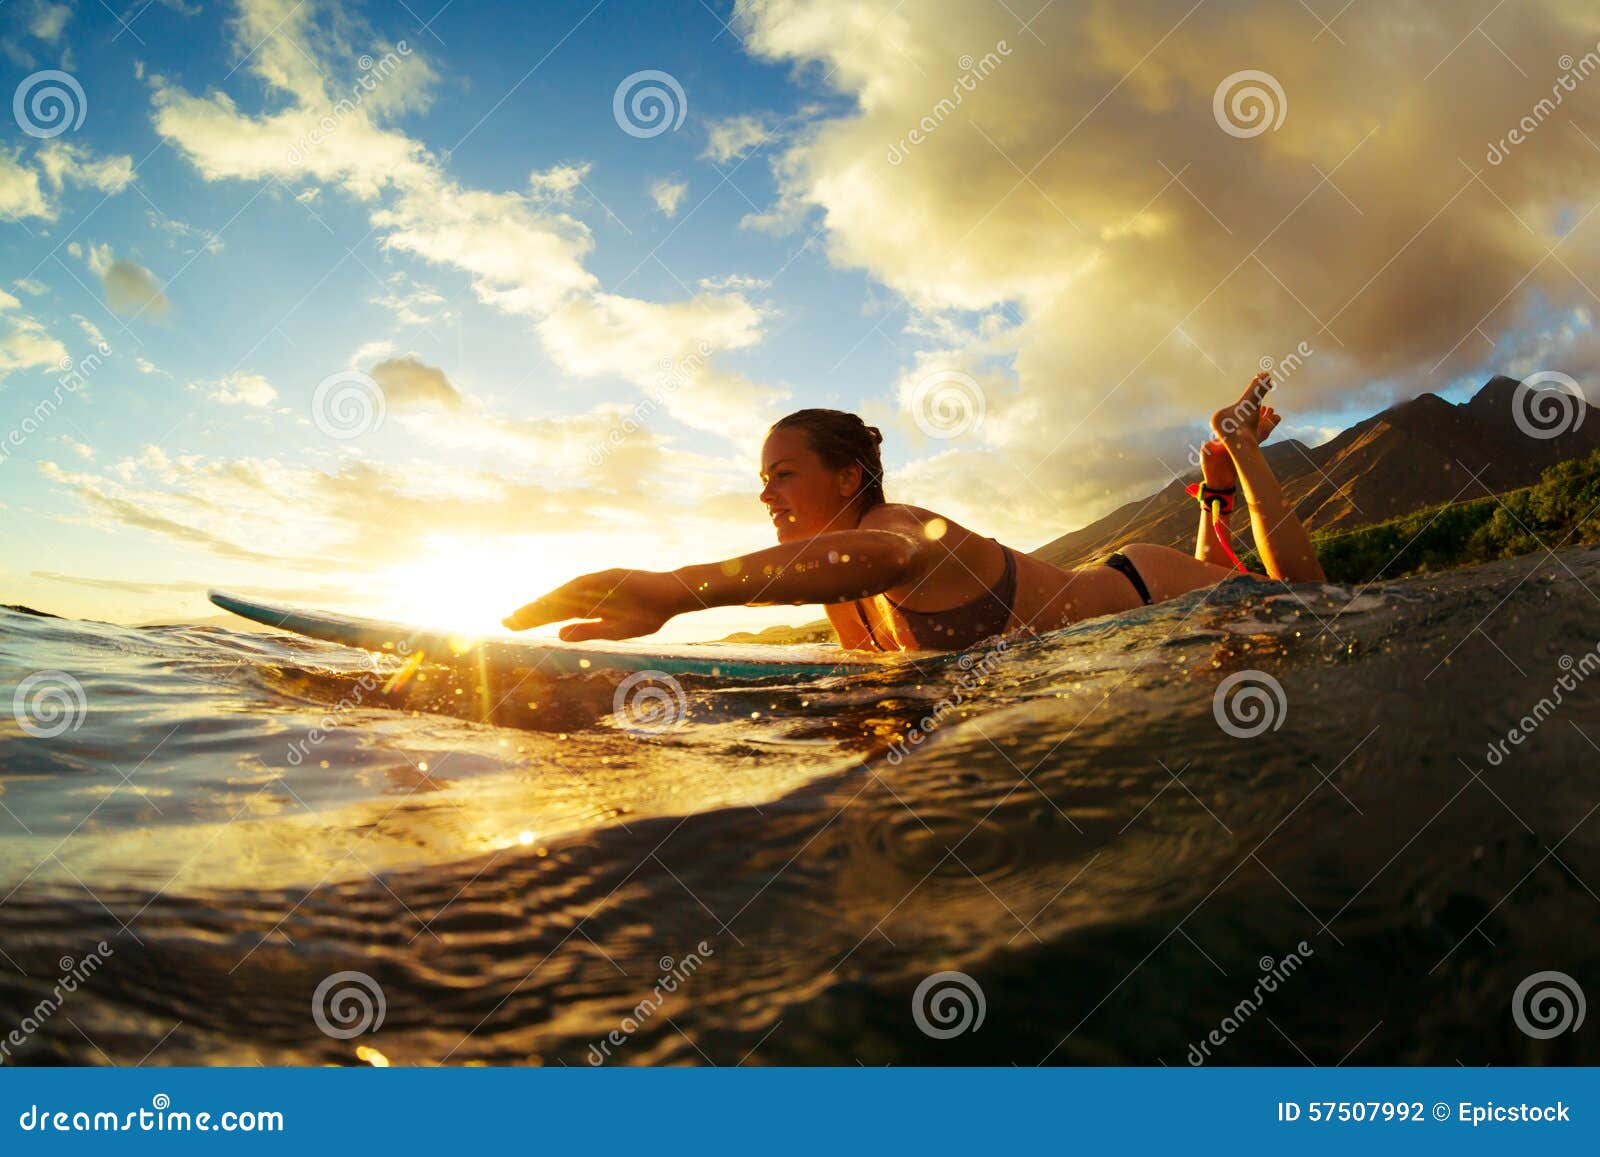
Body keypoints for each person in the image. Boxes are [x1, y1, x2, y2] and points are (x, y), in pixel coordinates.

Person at [503, 372, 1326, 652]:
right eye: (762, 479)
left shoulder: (896, 530)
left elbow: (885, 561)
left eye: (784, 475)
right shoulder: (837, 590)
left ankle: (1241, 450)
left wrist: (675, 591)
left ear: (849, 476)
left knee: (1306, 604)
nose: (766, 494)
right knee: (1238, 594)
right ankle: (1218, 487)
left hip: (1138, 588)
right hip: (1129, 625)